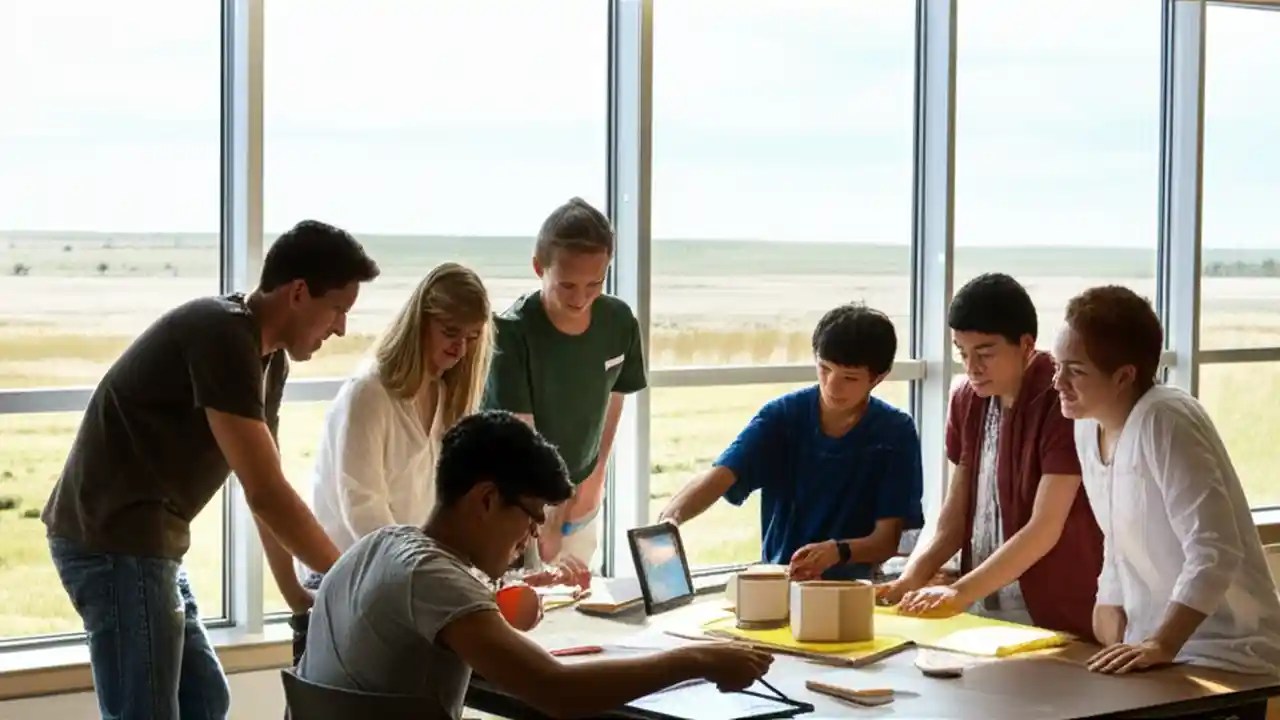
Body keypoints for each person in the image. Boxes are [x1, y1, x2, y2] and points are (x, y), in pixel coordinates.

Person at [42, 220, 380, 720]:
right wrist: (351, 579)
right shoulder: (221, 333)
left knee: (204, 700)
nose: (341, 328)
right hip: (114, 540)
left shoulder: (268, 360)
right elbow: (266, 492)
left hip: (150, 542)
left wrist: (295, 595)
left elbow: (266, 486)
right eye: (337, 309)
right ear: (298, 292)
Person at [298, 410, 773, 719]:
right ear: (486, 500)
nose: (530, 537)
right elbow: (556, 691)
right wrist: (696, 659)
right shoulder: (436, 579)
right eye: (529, 518)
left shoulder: (376, 546)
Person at [280, 263, 588, 664]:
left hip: (410, 581)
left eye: (473, 338)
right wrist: (429, 579)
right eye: (450, 333)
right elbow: (364, 509)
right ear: (420, 322)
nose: (461, 349)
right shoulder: (369, 395)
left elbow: (455, 511)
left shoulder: (447, 396)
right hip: (349, 580)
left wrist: (514, 568)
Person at [1052, 285, 1280, 679]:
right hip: (1152, 652)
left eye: (1075, 370)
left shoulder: (1165, 419)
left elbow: (1215, 549)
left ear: (1124, 376)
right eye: (1058, 366)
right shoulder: (1087, 427)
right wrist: (1109, 600)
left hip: (1226, 653)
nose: (1058, 382)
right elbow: (1116, 535)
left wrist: (1162, 642)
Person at [876, 273, 1103, 640]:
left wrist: (958, 591)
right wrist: (910, 578)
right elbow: (956, 511)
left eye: (985, 354)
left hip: (1056, 608)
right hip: (981, 608)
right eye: (962, 354)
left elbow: (1045, 526)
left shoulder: (1060, 398)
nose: (972, 367)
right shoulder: (966, 397)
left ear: (1026, 345)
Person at [657, 303, 924, 582]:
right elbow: (721, 475)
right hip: (781, 582)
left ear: (878, 378)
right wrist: (671, 520)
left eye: (849, 378)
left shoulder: (894, 433)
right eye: (824, 368)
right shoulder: (783, 416)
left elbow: (887, 540)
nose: (832, 385)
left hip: (856, 590)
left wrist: (838, 551)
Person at [483, 197, 646, 571]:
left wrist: (596, 477)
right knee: (524, 604)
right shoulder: (511, 332)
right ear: (539, 267)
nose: (581, 298)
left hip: (581, 494)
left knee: (578, 601)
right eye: (567, 285)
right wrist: (549, 517)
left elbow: (614, 398)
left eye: (595, 283)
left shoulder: (619, 321)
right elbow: (522, 439)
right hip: (518, 498)